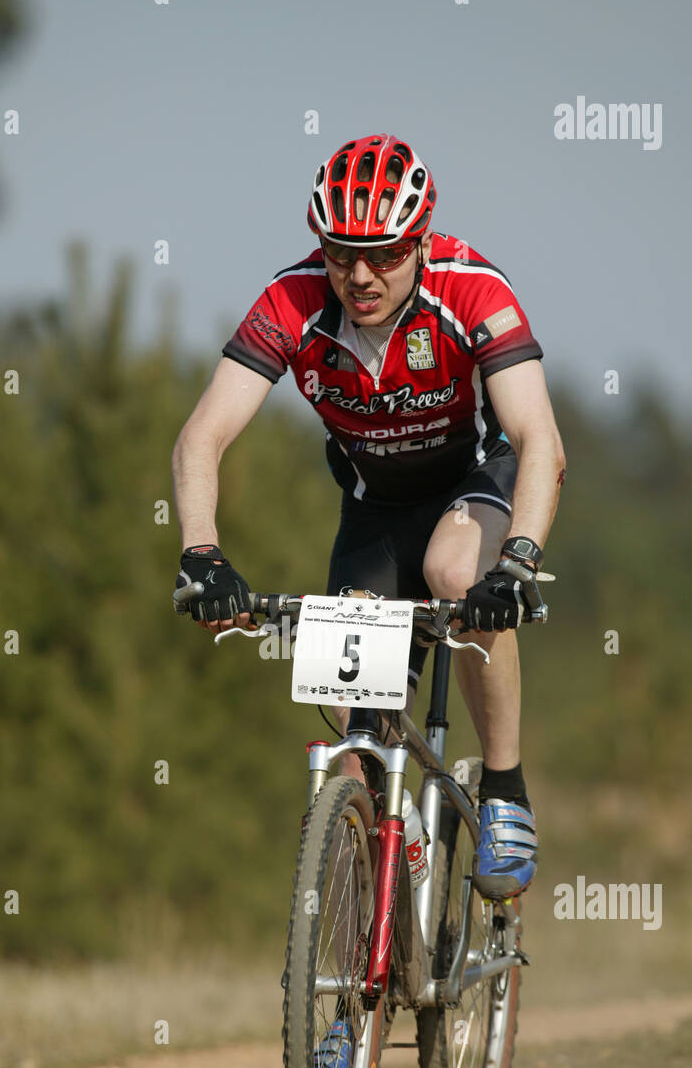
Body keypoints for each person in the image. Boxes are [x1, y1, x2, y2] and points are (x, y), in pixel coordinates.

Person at [173, 133, 565, 905]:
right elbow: (202, 436)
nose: (359, 275)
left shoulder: (472, 288)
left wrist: (516, 560)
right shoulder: (292, 301)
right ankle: (351, 998)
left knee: (456, 573)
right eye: (341, 252)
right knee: (356, 753)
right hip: (376, 513)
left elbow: (539, 441)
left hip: (477, 487)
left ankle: (506, 791)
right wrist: (202, 554)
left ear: (420, 242)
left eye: (384, 254)